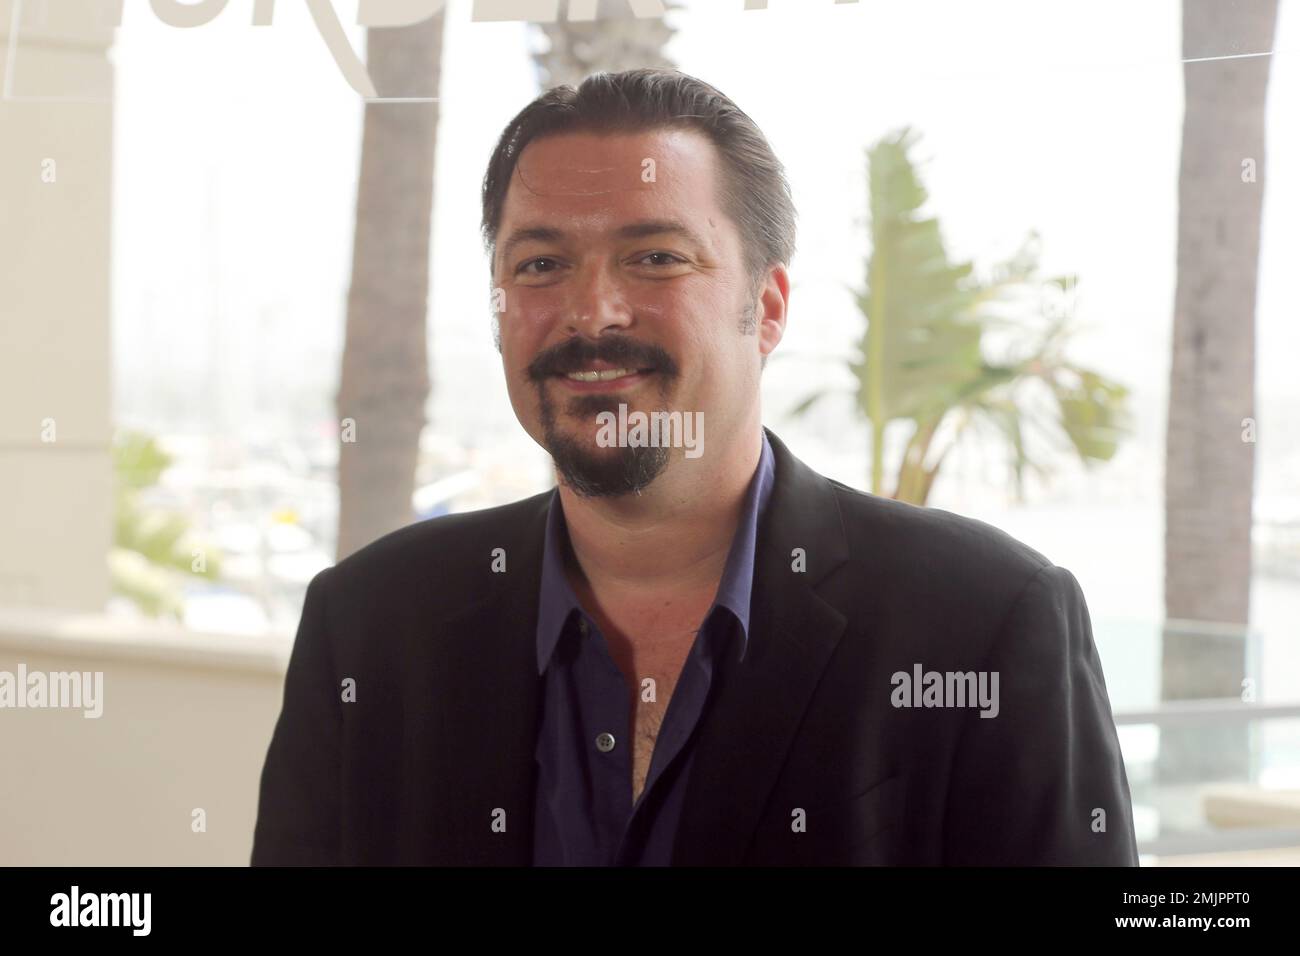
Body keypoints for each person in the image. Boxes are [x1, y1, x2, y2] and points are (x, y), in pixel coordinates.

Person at [251, 68, 1138, 866]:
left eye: (656, 258)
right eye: (541, 264)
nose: (591, 312)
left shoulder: (984, 619)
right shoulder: (369, 624)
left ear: (769, 306)